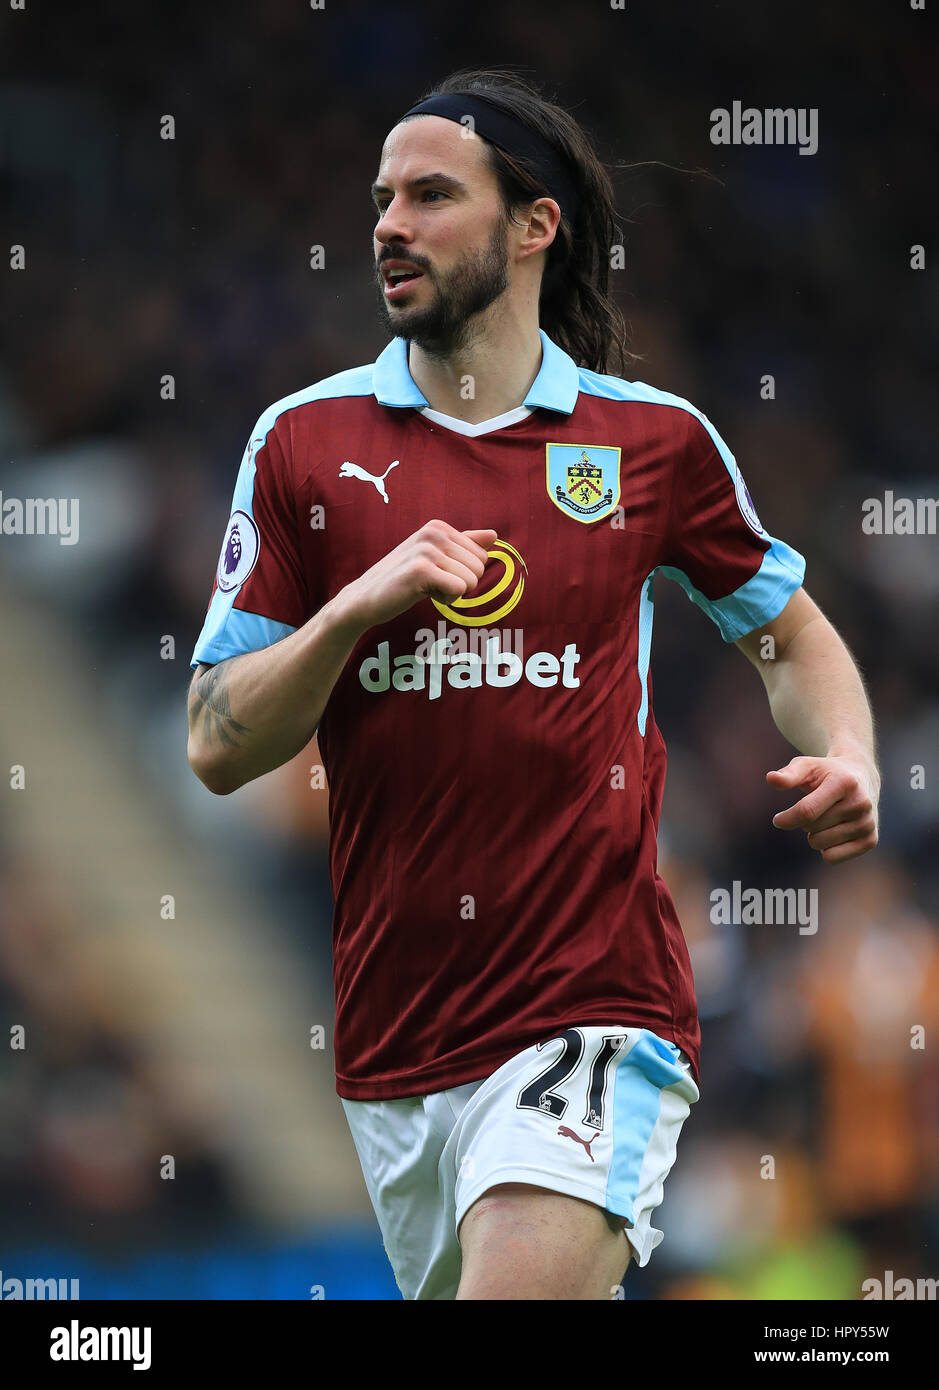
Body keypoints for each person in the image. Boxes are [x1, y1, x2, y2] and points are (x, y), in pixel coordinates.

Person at [186, 68, 879, 1300]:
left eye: (432, 195)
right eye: (382, 198)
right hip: (396, 1037)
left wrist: (849, 750)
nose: (389, 224)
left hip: (593, 1002)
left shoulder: (649, 444)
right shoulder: (304, 441)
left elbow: (792, 637)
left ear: (532, 224)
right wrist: (354, 607)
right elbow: (218, 743)